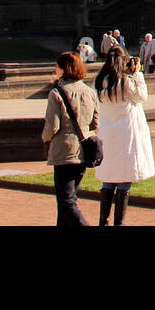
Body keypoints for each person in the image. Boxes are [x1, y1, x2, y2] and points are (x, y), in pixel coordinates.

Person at [93, 46, 154, 226]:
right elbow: (142, 96)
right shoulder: (125, 82)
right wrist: (137, 74)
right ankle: (119, 222)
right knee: (124, 179)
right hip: (126, 132)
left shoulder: (99, 81)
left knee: (110, 178)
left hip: (108, 132)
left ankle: (103, 220)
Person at [42, 51, 100, 227]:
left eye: (57, 66)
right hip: (83, 149)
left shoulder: (57, 93)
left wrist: (45, 139)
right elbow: (95, 122)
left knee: (67, 202)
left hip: (64, 151)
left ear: (64, 69)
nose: (55, 69)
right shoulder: (89, 92)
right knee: (68, 199)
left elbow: (52, 126)